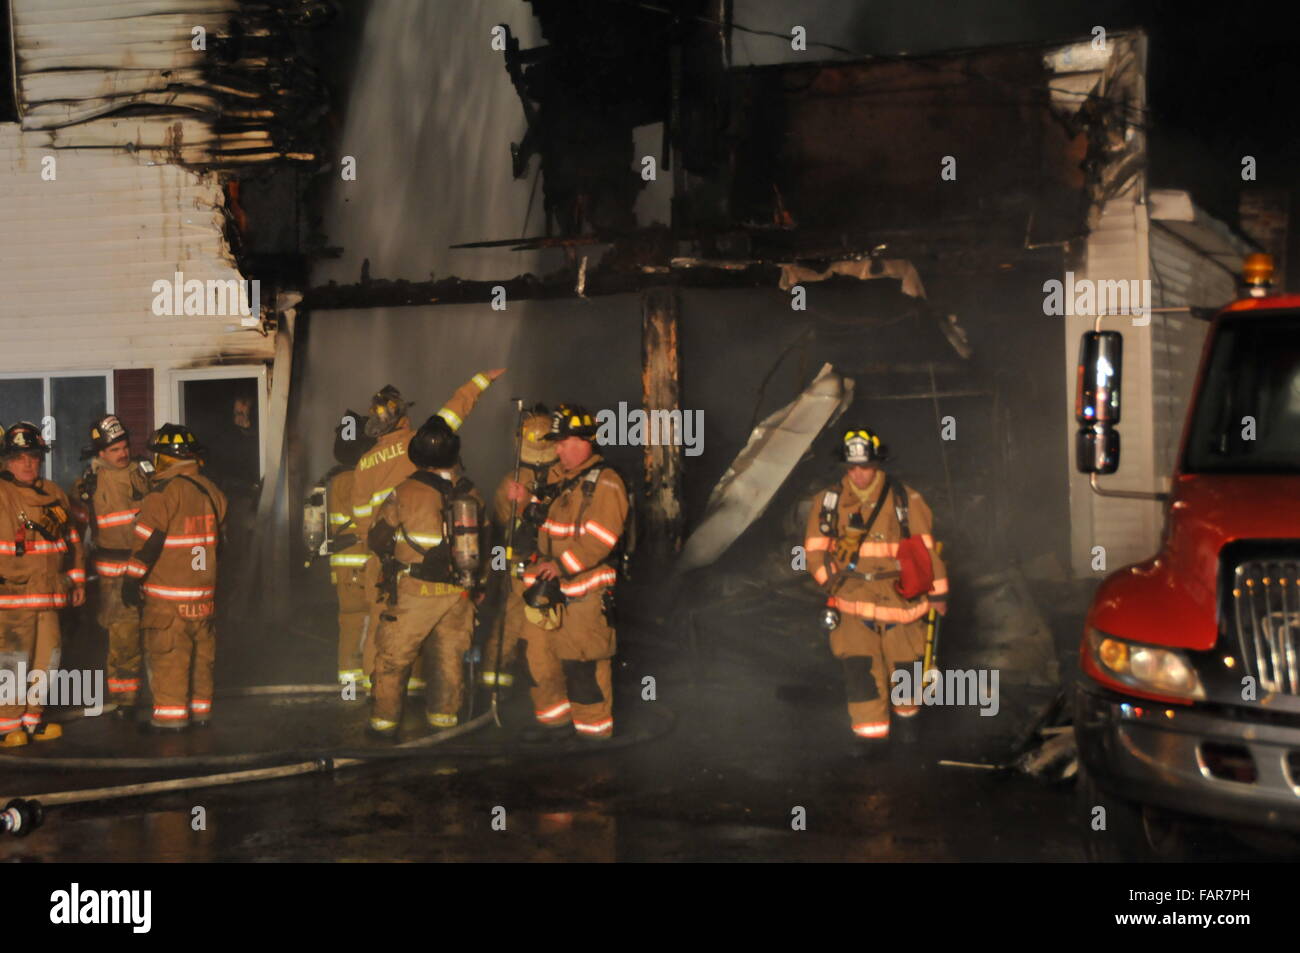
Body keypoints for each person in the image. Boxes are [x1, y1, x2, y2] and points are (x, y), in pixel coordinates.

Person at [350, 370, 504, 685]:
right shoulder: (419, 443)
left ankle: (375, 689)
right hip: (424, 557)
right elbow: (454, 410)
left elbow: (362, 520)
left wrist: (379, 553)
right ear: (402, 418)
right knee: (429, 624)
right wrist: (480, 381)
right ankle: (423, 692)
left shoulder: (364, 464)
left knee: (385, 623)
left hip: (383, 558)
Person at [803, 428, 949, 746]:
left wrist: (938, 592)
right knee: (860, 672)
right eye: (852, 467)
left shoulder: (906, 499)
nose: (859, 474)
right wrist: (831, 583)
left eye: (865, 466)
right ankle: (870, 742)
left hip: (902, 600)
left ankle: (909, 729)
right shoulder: (828, 502)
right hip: (852, 603)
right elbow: (814, 550)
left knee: (906, 670)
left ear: (878, 465)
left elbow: (925, 550)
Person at [508, 405, 628, 741]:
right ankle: (554, 730)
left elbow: (601, 539)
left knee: (582, 667)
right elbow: (546, 525)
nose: (557, 449)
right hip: (546, 592)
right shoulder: (557, 480)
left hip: (584, 595)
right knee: (538, 662)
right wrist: (524, 502)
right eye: (556, 443)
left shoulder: (607, 483)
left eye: (563, 442)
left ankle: (593, 740)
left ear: (586, 441)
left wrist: (560, 566)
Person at [366, 415, 486, 738]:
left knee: (392, 662)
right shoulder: (472, 494)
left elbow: (377, 538)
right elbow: (487, 545)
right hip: (459, 594)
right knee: (449, 663)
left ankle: (383, 729)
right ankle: (443, 729)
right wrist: (481, 586)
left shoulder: (403, 492)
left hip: (414, 593)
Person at [123, 425, 227, 731]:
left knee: (170, 660)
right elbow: (220, 546)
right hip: (204, 600)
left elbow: (147, 545)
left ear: (164, 459)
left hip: (168, 603)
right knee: (201, 662)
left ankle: (170, 725)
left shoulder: (162, 495)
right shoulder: (213, 492)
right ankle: (201, 715)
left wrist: (131, 582)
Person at [0, 422, 85, 745]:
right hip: (11, 597)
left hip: (50, 595)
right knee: (11, 661)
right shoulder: (1, 493)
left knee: (47, 660)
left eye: (34, 456)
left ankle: (33, 719)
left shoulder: (54, 493)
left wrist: (77, 583)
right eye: (20, 457)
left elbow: (73, 542)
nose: (28, 463)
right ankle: (7, 725)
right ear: (7, 460)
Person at [72, 415, 153, 718]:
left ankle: (163, 695)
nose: (123, 453)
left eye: (124, 446)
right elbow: (77, 532)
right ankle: (125, 701)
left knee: (160, 633)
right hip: (113, 576)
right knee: (123, 639)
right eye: (114, 449)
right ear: (100, 453)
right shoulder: (87, 484)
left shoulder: (144, 475)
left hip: (148, 566)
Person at [481, 405, 555, 695]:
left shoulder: (510, 480)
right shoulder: (557, 476)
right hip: (536, 559)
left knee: (512, 620)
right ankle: (514, 680)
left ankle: (495, 678)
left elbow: (501, 523)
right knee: (529, 619)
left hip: (526, 561)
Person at [322, 411, 377, 685]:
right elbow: (369, 519)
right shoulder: (355, 480)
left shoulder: (337, 479)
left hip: (346, 567)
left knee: (352, 622)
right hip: (360, 563)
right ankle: (365, 685)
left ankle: (350, 686)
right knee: (365, 621)